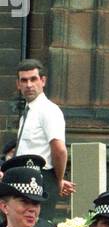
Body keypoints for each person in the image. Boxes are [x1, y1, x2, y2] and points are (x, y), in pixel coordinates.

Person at [13, 60, 75, 218]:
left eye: (33, 79)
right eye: (24, 80)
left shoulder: (49, 110)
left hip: (40, 178)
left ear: (43, 81)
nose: (29, 85)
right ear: (18, 85)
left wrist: (58, 180)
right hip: (22, 179)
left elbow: (59, 150)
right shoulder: (28, 112)